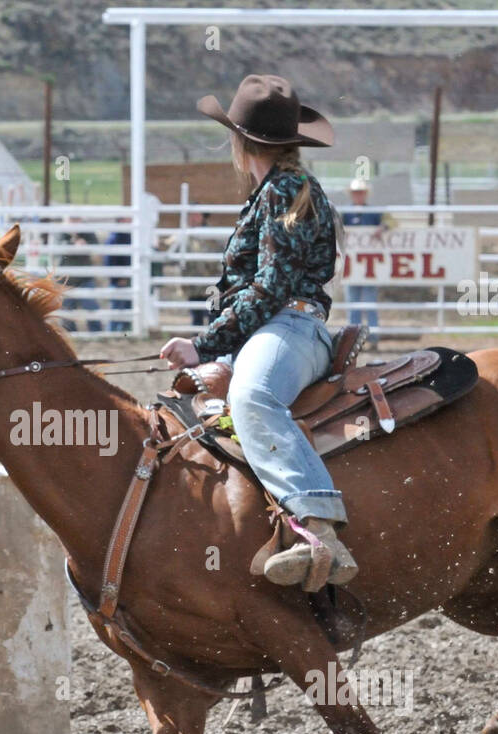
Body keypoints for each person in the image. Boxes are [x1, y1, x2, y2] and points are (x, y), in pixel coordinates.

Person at [159, 74, 357, 588]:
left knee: (253, 398)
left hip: (291, 325)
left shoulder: (286, 190)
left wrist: (204, 344)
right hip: (272, 329)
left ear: (240, 140)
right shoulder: (278, 190)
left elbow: (271, 287)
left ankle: (320, 528)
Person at [341, 178, 382, 347]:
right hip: (352, 263)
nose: (358, 195)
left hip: (368, 263)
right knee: (353, 303)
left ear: (365, 194)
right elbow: (339, 229)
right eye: (356, 193)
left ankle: (373, 338)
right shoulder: (345, 212)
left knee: (370, 301)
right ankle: (354, 340)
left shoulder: (373, 212)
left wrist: (383, 229)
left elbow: (388, 226)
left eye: (361, 192)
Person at [60, 222, 101, 333]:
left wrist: (84, 245)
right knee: (67, 313)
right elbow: (61, 249)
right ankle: (71, 335)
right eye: (72, 219)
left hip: (84, 278)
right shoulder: (62, 232)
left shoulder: (87, 232)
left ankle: (96, 333)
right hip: (67, 279)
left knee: (91, 308)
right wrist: (73, 244)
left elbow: (96, 246)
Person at [181, 211, 220, 326]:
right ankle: (195, 340)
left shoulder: (212, 235)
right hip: (193, 283)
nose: (193, 218)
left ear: (203, 217)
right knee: (196, 317)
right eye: (190, 215)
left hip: (212, 282)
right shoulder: (185, 235)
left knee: (212, 316)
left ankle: (212, 341)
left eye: (196, 215)